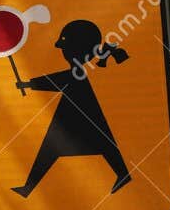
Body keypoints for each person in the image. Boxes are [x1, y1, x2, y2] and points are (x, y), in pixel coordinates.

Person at [10, 19, 131, 197]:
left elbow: (61, 80)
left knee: (56, 146)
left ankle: (123, 174)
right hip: (75, 110)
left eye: (64, 47)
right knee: (98, 144)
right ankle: (28, 188)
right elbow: (61, 80)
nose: (63, 52)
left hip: (77, 111)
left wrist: (29, 84)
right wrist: (29, 84)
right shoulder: (78, 70)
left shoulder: (77, 72)